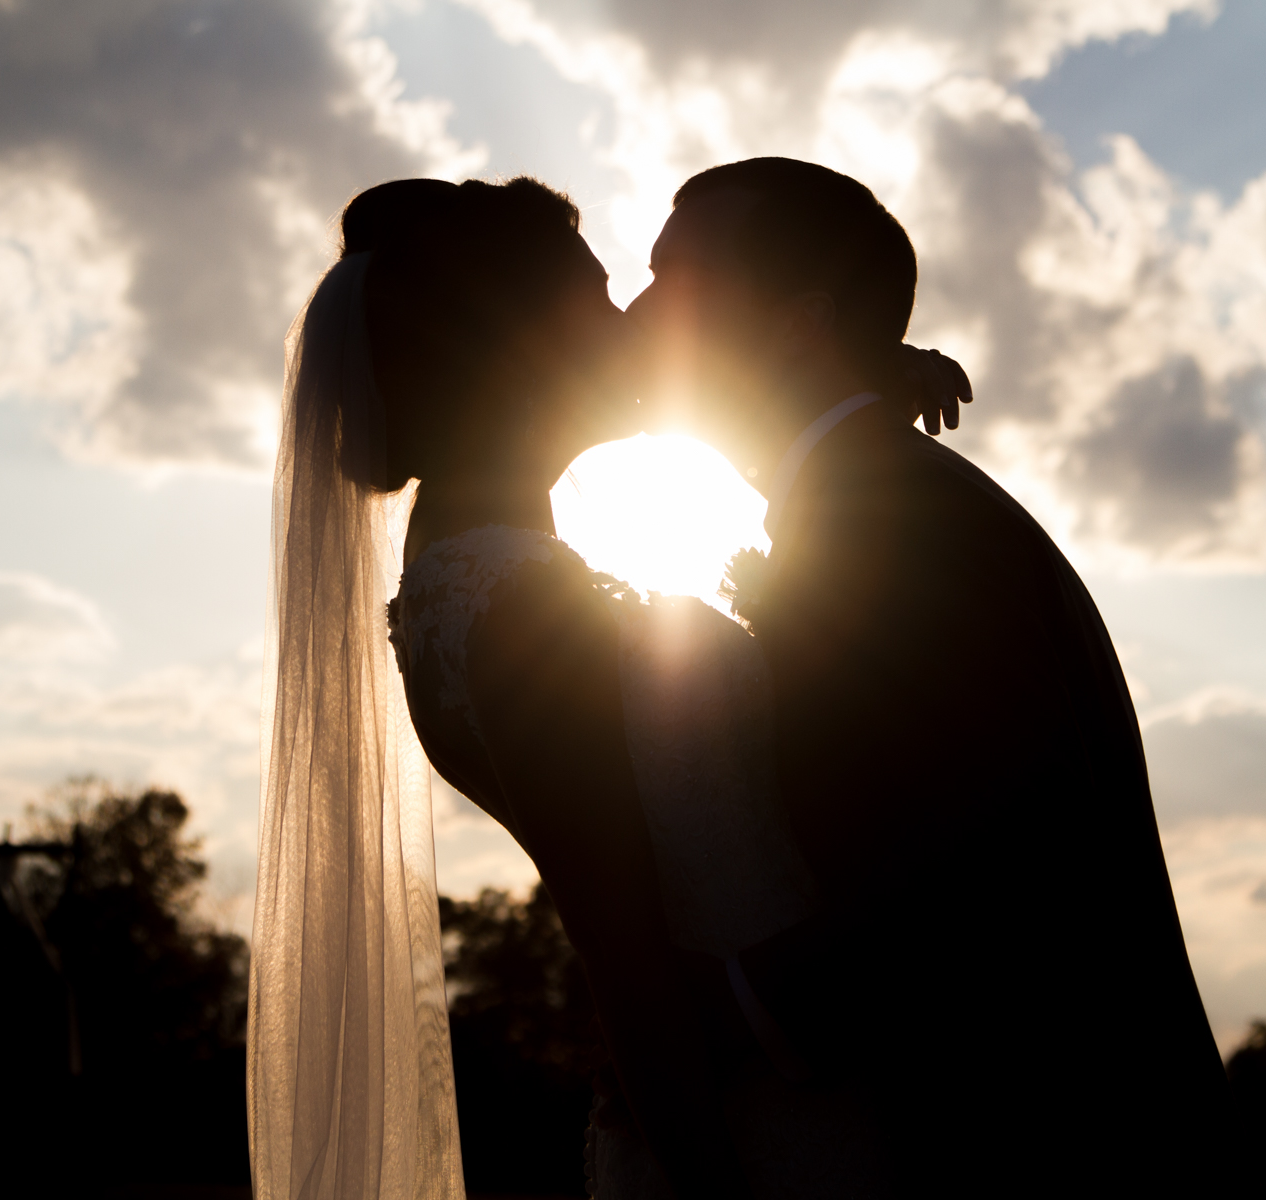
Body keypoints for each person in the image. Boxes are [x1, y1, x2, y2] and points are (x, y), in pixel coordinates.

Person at [251, 175, 944, 1200]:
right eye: (601, 298)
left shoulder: (476, 575)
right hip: (757, 1121)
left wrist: (862, 376)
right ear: (515, 355)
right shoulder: (520, 608)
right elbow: (625, 955)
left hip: (780, 1071)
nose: (632, 323)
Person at [624, 157, 1233, 1182]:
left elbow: (995, 866)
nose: (640, 312)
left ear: (798, 322)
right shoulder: (878, 497)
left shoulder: (892, 532)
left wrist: (723, 1011)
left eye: (675, 279)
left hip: (1044, 1137)